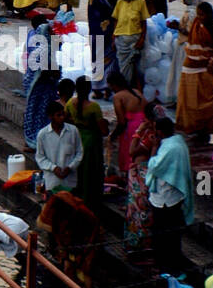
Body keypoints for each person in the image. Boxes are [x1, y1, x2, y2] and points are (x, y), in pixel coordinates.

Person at [176, 0, 213, 143]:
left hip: (206, 68)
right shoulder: (196, 25)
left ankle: (202, 129)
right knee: (189, 99)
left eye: (202, 15)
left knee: (203, 100)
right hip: (191, 67)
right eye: (198, 15)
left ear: (209, 14)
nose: (200, 17)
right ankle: (191, 126)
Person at [146, 118, 194, 275]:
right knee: (171, 235)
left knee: (165, 236)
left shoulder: (170, 148)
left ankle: (168, 268)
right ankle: (169, 266)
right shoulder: (178, 143)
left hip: (166, 198)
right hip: (173, 196)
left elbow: (154, 166)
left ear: (160, 132)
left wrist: (154, 148)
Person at [65, 76, 107, 212]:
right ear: (89, 89)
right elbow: (103, 130)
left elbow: (66, 118)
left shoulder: (70, 103)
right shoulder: (94, 107)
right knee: (91, 172)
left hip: (77, 138)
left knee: (79, 171)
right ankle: (90, 201)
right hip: (91, 142)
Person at [123, 113, 157, 259]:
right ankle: (135, 245)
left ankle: (138, 246)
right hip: (139, 175)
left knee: (140, 211)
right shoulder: (150, 134)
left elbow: (131, 151)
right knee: (136, 211)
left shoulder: (150, 136)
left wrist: (138, 131)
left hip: (142, 176)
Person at [23, 20, 59, 151]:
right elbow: (42, 68)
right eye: (50, 31)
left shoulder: (49, 45)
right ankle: (32, 141)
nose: (53, 32)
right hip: (38, 88)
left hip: (45, 88)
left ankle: (40, 142)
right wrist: (54, 72)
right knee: (35, 114)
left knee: (42, 114)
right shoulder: (40, 48)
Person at [35, 101, 84, 192]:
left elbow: (79, 152)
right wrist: (53, 168)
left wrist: (70, 167)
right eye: (58, 115)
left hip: (70, 180)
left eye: (63, 114)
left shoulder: (73, 131)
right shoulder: (43, 134)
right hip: (52, 181)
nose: (62, 117)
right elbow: (40, 157)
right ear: (50, 116)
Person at [110, 0, 149, 88]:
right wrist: (114, 37)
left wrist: (142, 39)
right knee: (122, 65)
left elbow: (143, 22)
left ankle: (134, 88)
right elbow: (116, 19)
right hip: (121, 39)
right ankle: (125, 86)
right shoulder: (120, 2)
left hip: (134, 39)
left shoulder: (140, 2)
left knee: (135, 66)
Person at [165, 0, 200, 107]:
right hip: (182, 45)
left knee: (180, 73)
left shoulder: (192, 13)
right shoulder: (191, 11)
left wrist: (177, 27)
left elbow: (190, 32)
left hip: (185, 46)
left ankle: (181, 99)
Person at [107, 71, 146, 176]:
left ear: (114, 85)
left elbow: (122, 122)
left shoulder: (118, 97)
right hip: (145, 127)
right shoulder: (137, 92)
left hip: (131, 130)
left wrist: (113, 136)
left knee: (130, 158)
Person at [87, 0, 119, 96]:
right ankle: (107, 88)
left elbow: (91, 14)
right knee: (110, 61)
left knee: (97, 60)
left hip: (96, 33)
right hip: (111, 33)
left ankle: (97, 88)